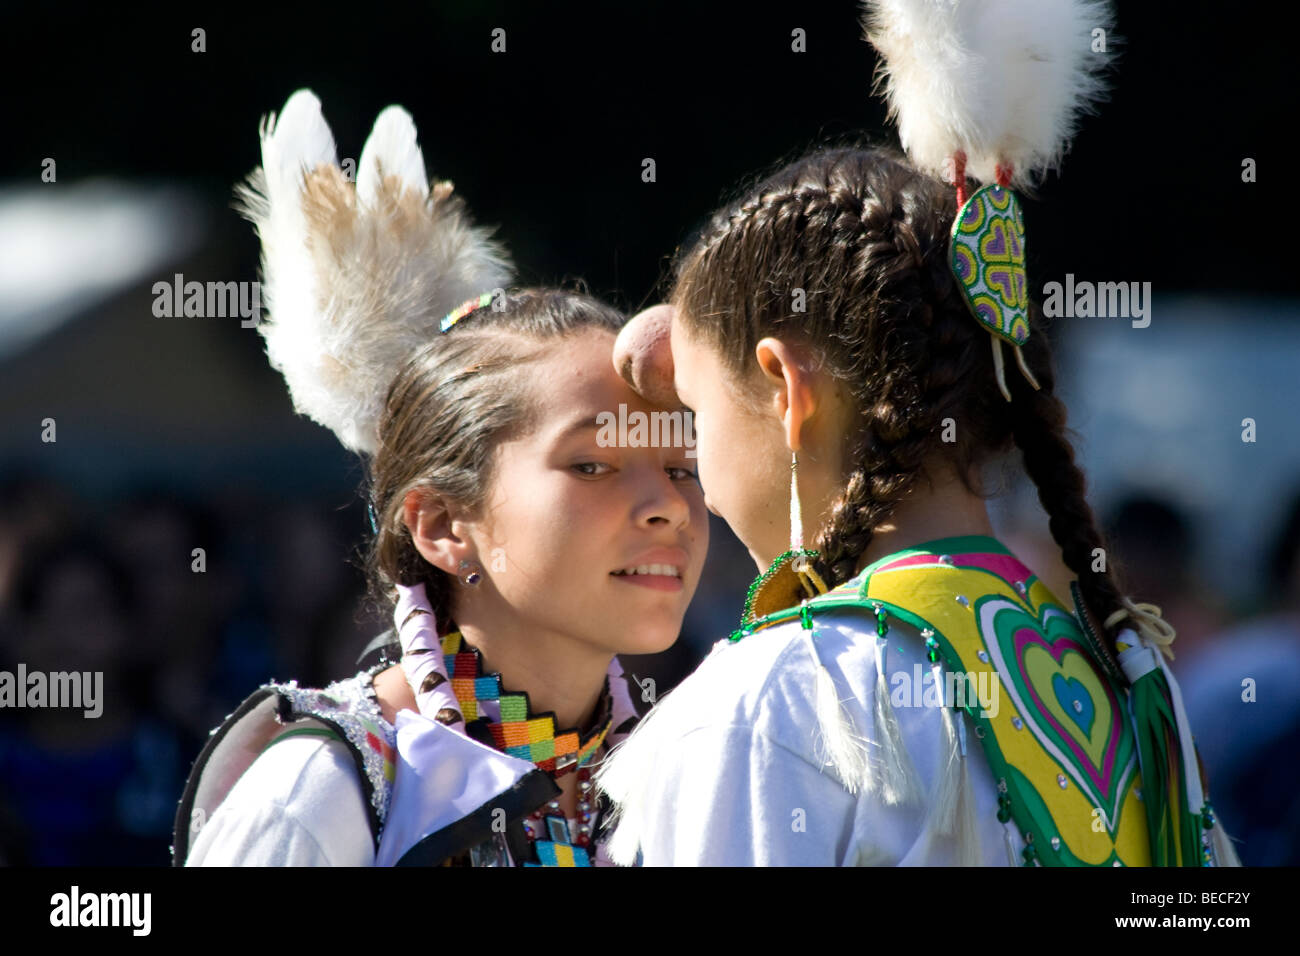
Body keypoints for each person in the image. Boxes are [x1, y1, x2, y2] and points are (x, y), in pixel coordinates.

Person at [596, 0, 1239, 867]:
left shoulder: (777, 701)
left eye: (700, 418)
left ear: (787, 388)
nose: (696, 479)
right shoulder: (1127, 670)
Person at [171, 90, 707, 867]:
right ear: (442, 525)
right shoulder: (321, 796)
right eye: (592, 464)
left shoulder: (687, 783)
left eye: (680, 465)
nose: (668, 508)